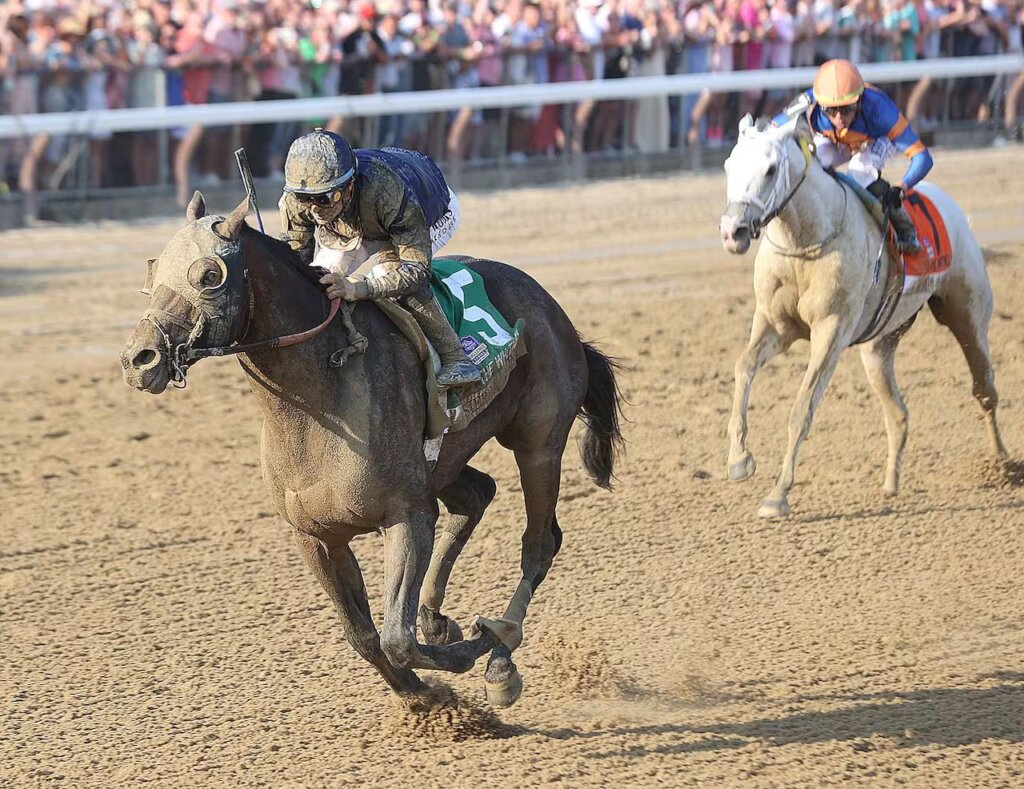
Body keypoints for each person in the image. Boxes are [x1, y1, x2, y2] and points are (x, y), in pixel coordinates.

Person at [278, 128, 482, 390]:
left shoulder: (389, 191)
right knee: (322, 278)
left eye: (322, 198)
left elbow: (416, 271)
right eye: (304, 199)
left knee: (390, 277)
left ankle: (456, 358)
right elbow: (298, 259)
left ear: (349, 186)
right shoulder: (299, 198)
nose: (313, 208)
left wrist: (357, 288)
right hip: (353, 219)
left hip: (426, 210)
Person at [775, 58, 933, 252]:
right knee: (815, 168)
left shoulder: (880, 111)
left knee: (858, 174)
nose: (839, 117)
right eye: (831, 110)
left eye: (847, 109)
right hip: (836, 141)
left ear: (859, 101)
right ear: (820, 103)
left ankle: (907, 233)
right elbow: (773, 127)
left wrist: (901, 187)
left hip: (875, 140)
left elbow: (923, 158)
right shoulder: (809, 101)